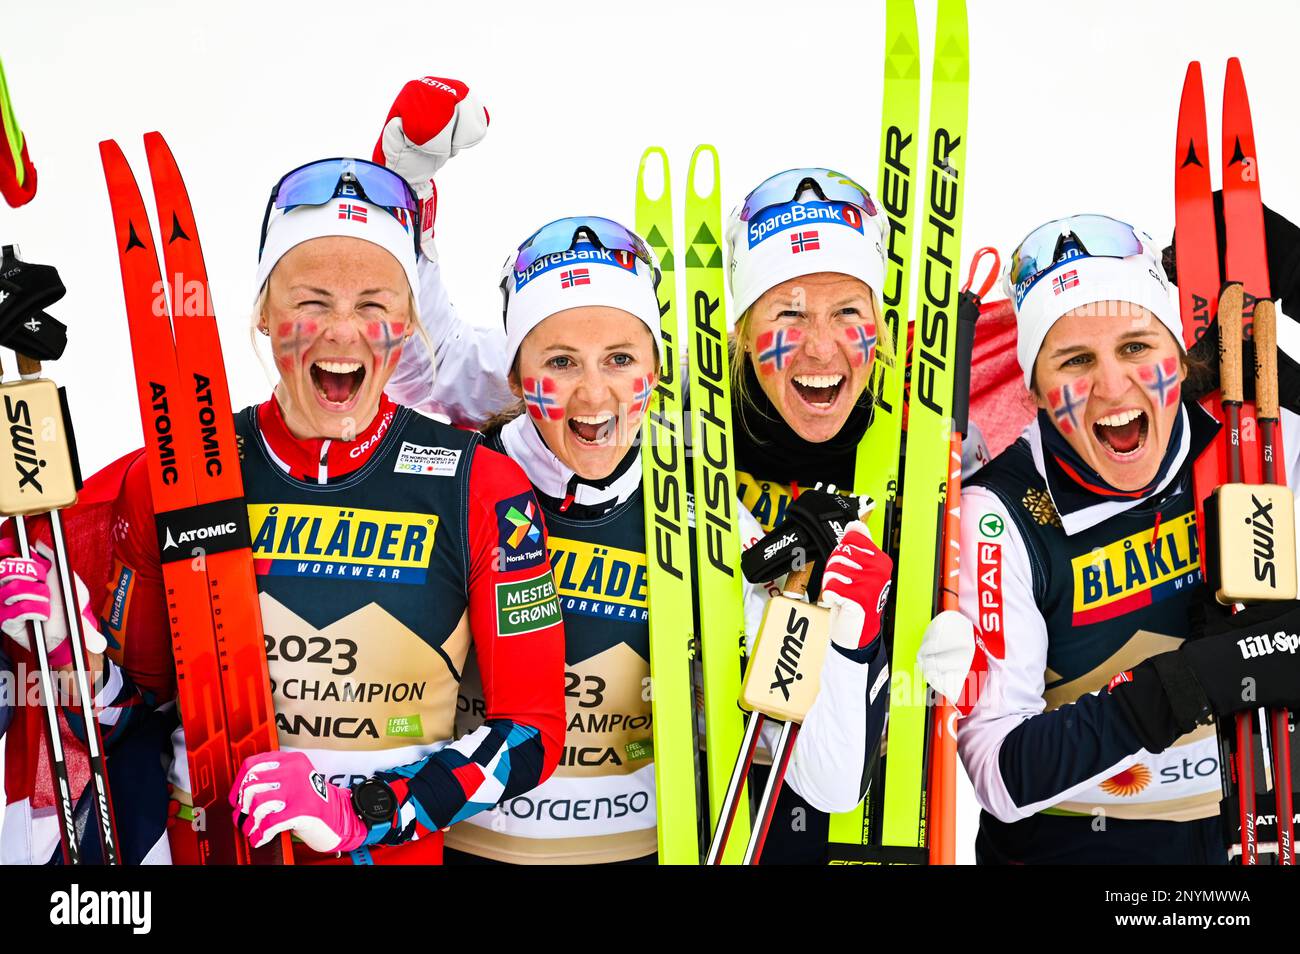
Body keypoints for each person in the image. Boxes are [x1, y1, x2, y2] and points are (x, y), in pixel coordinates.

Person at [1, 155, 568, 865]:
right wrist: (68, 652)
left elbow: (532, 735)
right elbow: (132, 718)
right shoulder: (173, 477)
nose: (342, 332)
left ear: (408, 323)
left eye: (374, 304)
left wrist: (364, 810)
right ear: (265, 314)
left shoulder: (479, 487)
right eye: (312, 302)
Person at [382, 212, 894, 863]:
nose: (594, 396)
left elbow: (830, 782)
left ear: (657, 371)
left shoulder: (700, 515)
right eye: (561, 362)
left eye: (621, 360)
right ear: (513, 375)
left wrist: (848, 630)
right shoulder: (455, 492)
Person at [920, 213, 1300, 864]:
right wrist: (1184, 685)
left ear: (1178, 358)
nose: (1113, 386)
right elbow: (1000, 772)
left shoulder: (1259, 442)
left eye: (1135, 347)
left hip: (1252, 834)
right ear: (1035, 390)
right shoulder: (1000, 510)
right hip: (1078, 848)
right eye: (1074, 360)